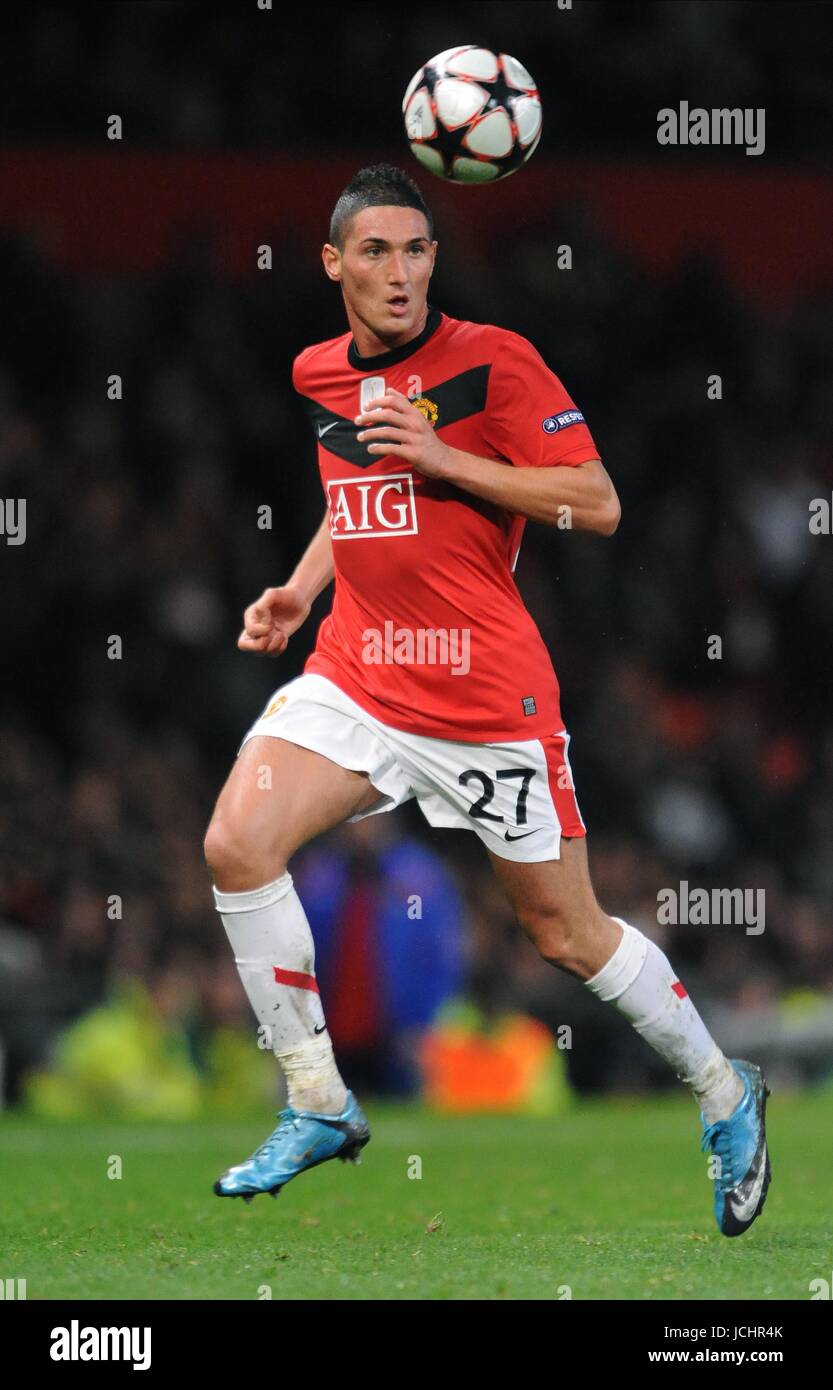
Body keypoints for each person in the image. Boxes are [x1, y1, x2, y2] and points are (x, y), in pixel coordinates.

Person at [203, 164, 770, 1236]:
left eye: (415, 250)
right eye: (374, 251)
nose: (399, 272)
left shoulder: (493, 360)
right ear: (333, 265)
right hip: (357, 674)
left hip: (481, 695)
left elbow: (594, 503)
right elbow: (355, 496)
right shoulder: (318, 372)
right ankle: (318, 1099)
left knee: (565, 932)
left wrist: (447, 456)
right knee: (236, 844)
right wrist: (299, 588)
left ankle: (724, 1090)